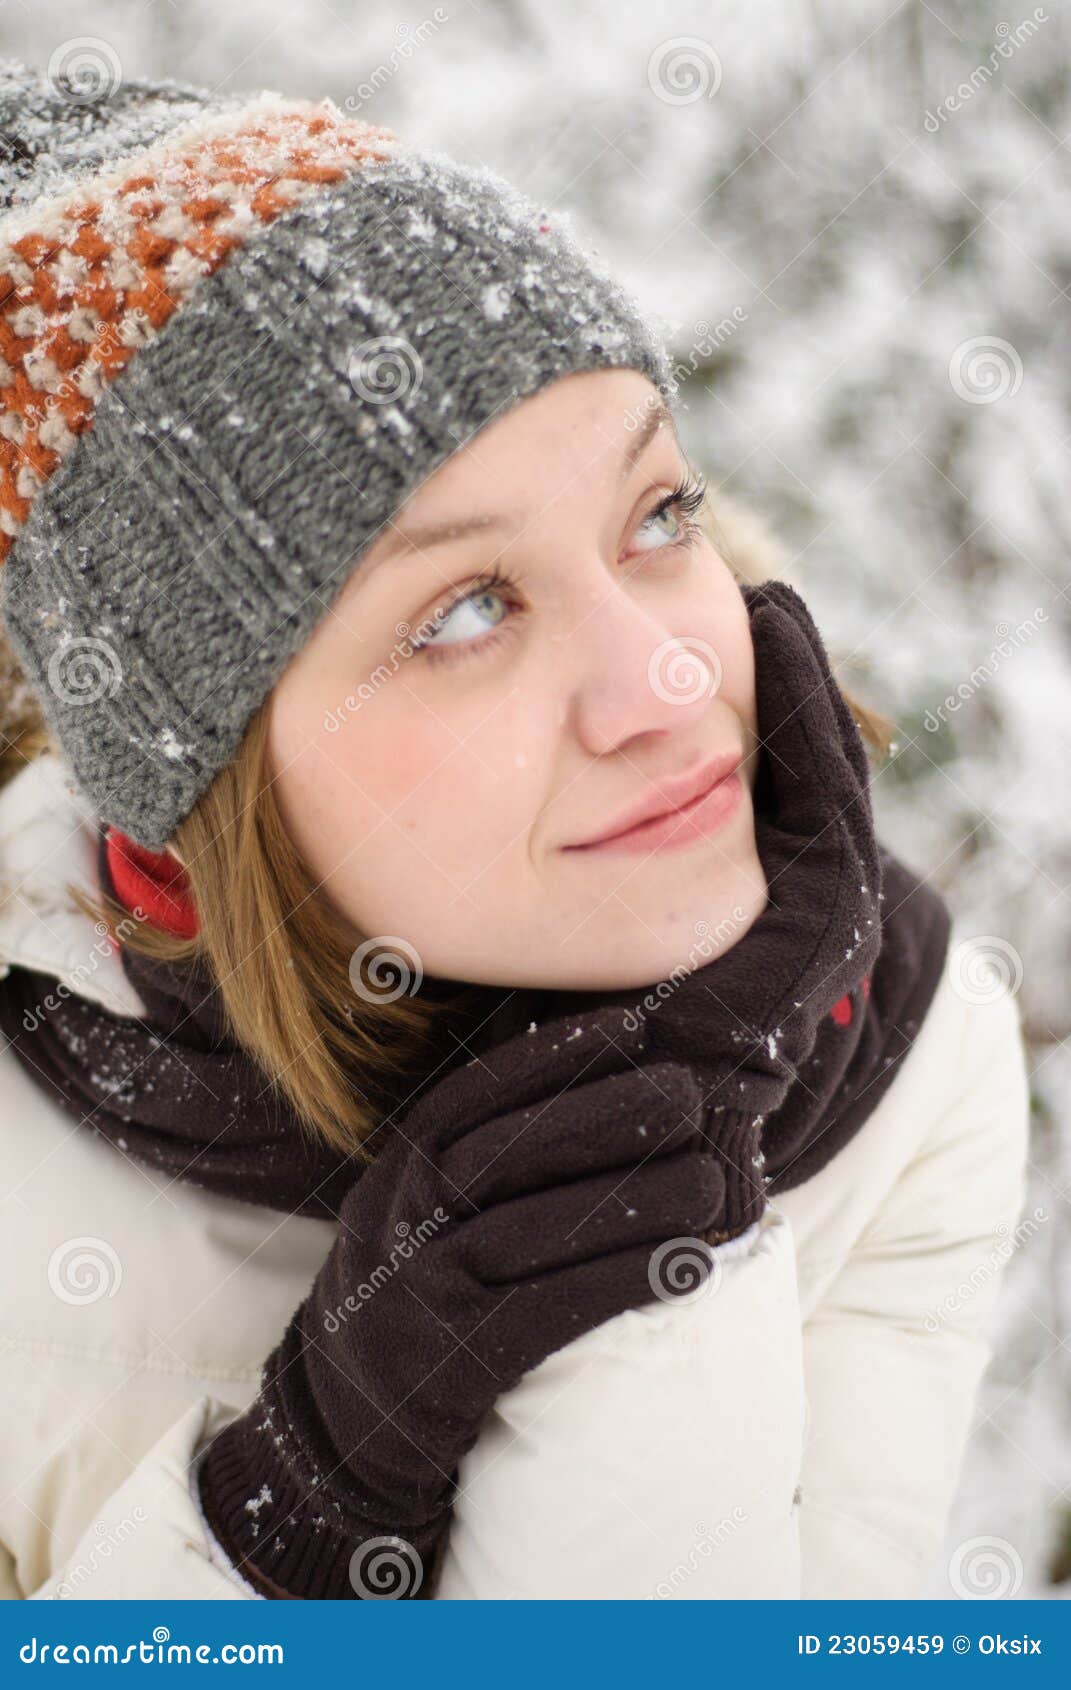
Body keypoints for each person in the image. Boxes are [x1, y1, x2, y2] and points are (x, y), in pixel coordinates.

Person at [0, 60, 1029, 1600]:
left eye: (659, 517)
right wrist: (299, 1496)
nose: (665, 682)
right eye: (468, 609)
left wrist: (661, 1160)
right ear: (206, 770)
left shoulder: (908, 1061)